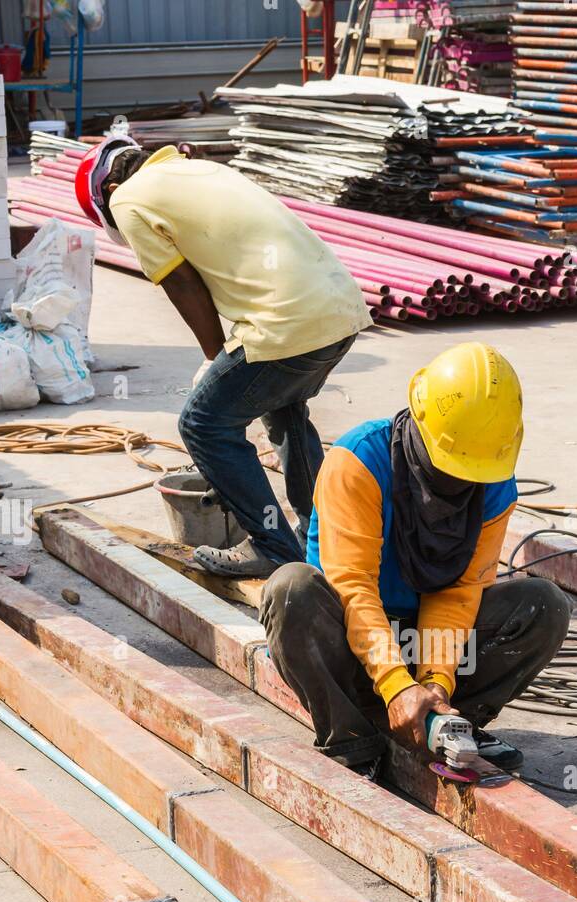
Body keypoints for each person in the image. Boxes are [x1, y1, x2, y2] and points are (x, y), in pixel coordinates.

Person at [259, 342, 573, 778]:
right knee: (290, 590)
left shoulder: (493, 484)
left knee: (543, 605)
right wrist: (393, 685)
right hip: (349, 640)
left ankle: (449, 722)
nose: (461, 482)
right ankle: (352, 740)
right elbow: (354, 587)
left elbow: (459, 592)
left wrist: (433, 686)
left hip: (423, 641)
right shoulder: (359, 461)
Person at [75, 133, 371, 578]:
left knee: (203, 423)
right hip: (340, 311)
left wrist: (215, 356)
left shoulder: (127, 200)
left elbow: (183, 284)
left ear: (108, 194)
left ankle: (273, 547)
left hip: (287, 322)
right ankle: (322, 535)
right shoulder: (200, 170)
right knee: (284, 408)